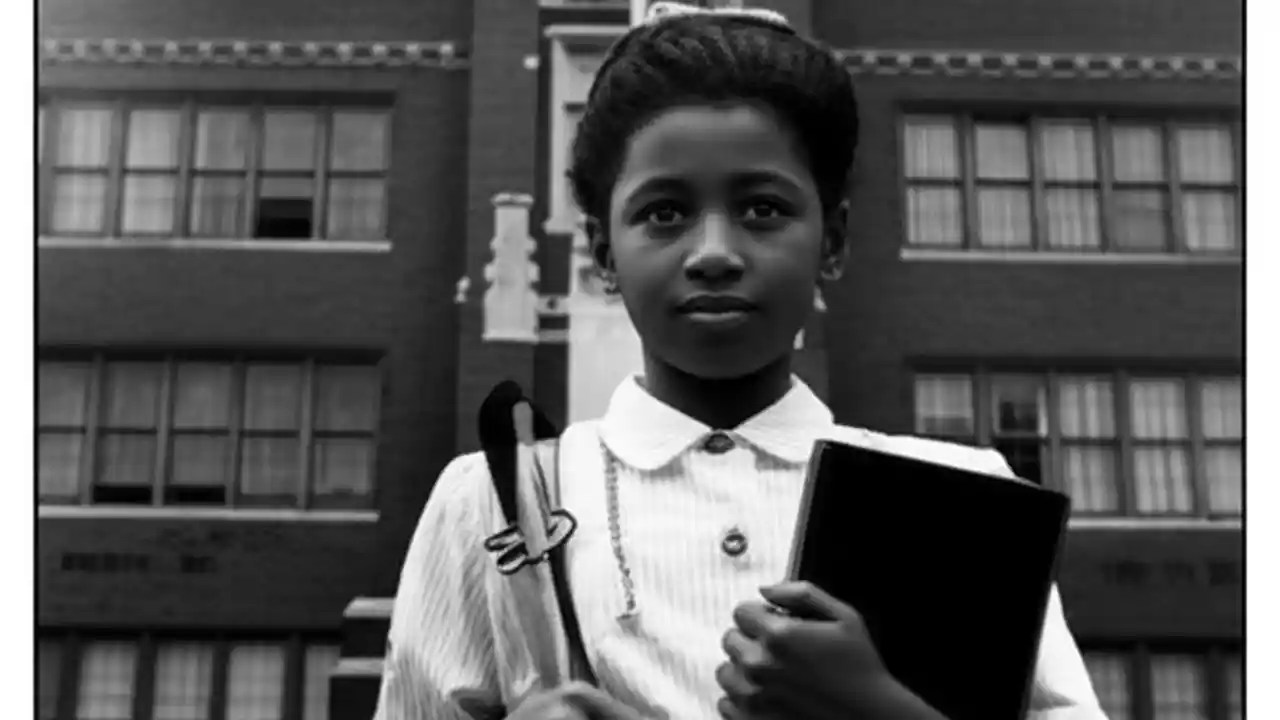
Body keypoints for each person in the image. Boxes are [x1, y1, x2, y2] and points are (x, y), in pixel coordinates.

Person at [374, 4, 1107, 719]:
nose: (715, 252)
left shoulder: (966, 504)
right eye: (664, 212)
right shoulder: (493, 501)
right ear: (603, 253)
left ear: (833, 241)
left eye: (763, 209)